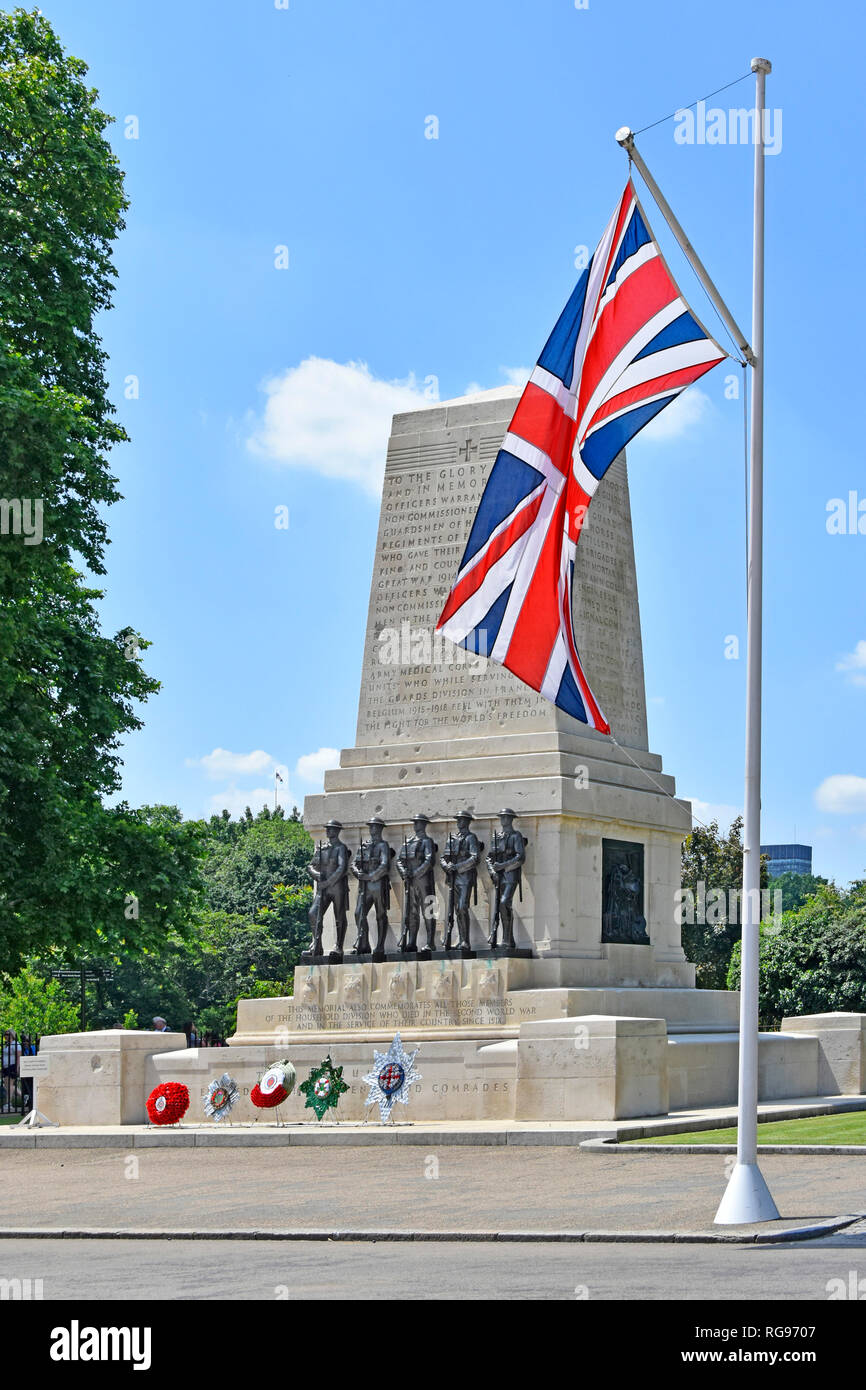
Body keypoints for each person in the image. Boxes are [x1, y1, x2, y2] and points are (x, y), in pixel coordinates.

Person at [1, 1029, 21, 1110]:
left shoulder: (16, 1044)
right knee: (7, 1086)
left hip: (12, 1066)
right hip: (6, 1067)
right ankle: (24, 1096)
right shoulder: (7, 1045)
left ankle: (8, 1103)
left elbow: (19, 1057)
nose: (5, 1036)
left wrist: (17, 1067)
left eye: (7, 1034)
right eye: (5, 1034)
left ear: (12, 1035)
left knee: (9, 1085)